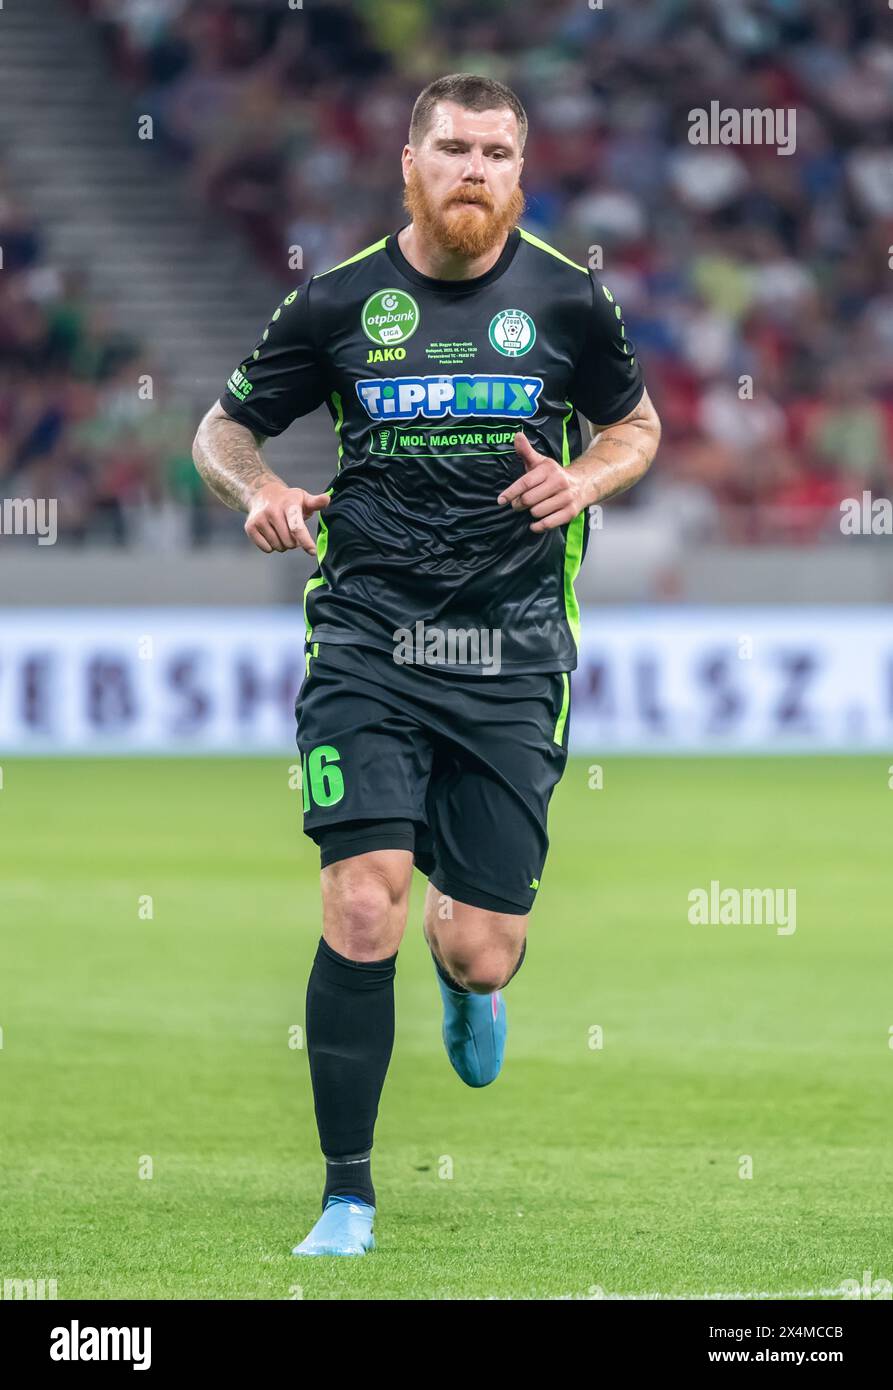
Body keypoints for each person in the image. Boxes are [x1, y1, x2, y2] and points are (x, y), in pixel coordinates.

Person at [192, 72, 661, 1257]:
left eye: (496, 154)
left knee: (474, 938)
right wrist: (261, 491)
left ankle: (472, 981)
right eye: (452, 148)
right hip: (367, 639)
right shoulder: (337, 302)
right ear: (408, 163)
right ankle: (346, 1195)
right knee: (362, 900)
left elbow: (635, 425)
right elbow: (221, 428)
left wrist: (584, 477)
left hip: (508, 655)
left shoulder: (568, 301)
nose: (473, 170)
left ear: (520, 173)